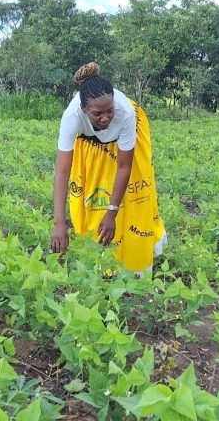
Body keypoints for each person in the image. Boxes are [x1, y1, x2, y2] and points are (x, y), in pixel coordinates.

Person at [50, 62, 167, 274]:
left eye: (109, 111)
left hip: (128, 139)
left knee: (135, 195)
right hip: (91, 142)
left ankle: (136, 262)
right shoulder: (71, 117)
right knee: (92, 197)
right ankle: (99, 262)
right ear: (84, 110)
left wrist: (112, 212)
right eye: (97, 114)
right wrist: (59, 223)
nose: (105, 118)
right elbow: (62, 173)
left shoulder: (125, 113)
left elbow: (124, 166)